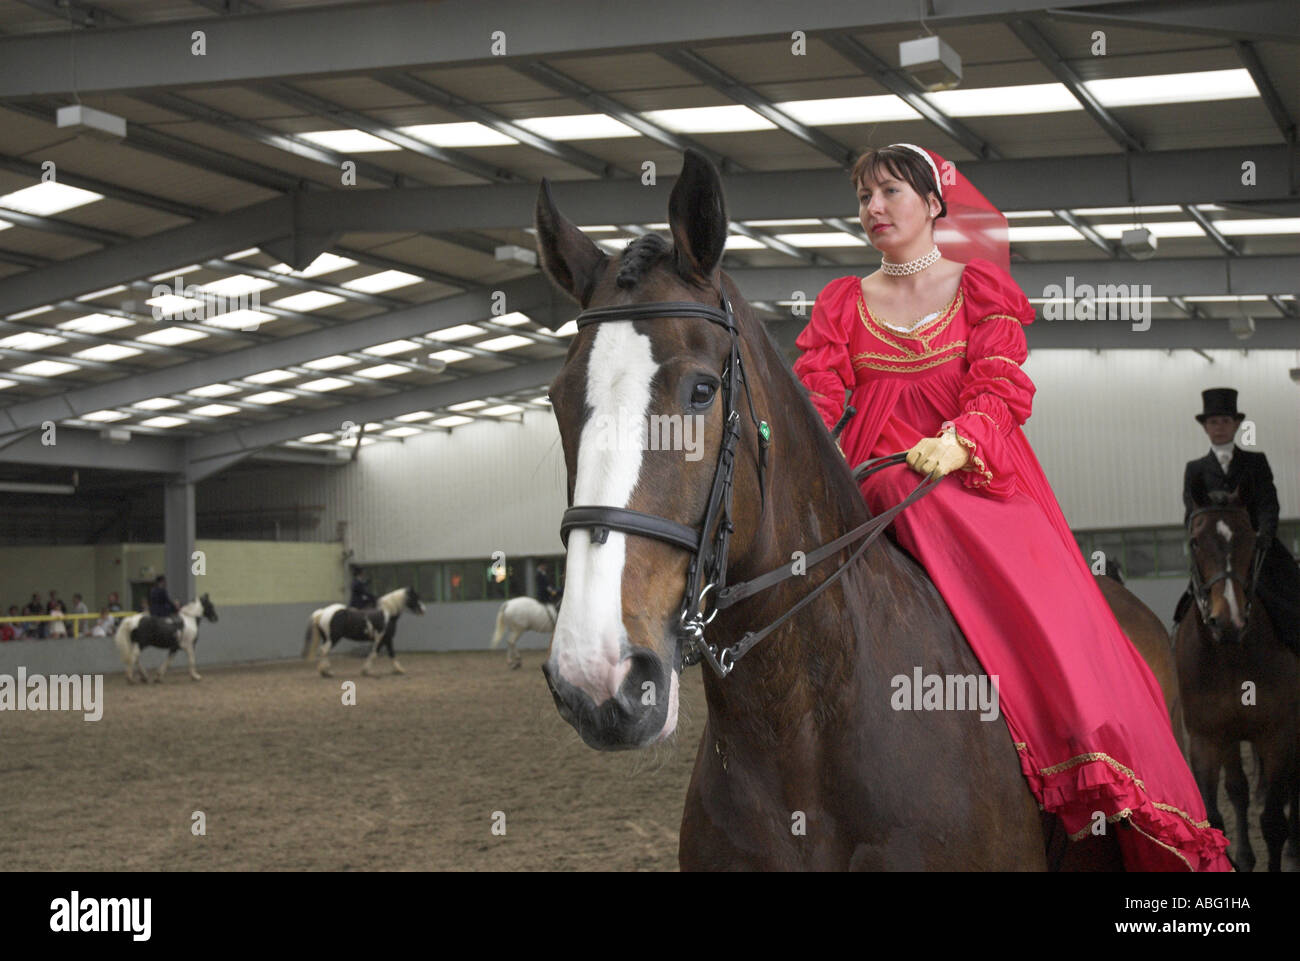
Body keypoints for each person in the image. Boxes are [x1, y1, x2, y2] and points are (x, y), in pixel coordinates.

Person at [793, 143, 1230, 871]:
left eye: (889, 193)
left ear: (933, 204)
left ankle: (1086, 745)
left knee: (1052, 611)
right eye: (863, 197)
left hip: (973, 476)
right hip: (873, 478)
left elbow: (998, 386)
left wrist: (962, 439)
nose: (872, 209)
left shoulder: (978, 288)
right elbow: (818, 400)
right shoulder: (843, 302)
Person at [1175, 388, 1299, 653]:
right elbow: (1191, 511)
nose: (1219, 427)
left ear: (1236, 425)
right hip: (1216, 550)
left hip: (1254, 546)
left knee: (1290, 595)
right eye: (1213, 422)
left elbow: (1268, 503)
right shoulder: (1195, 469)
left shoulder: (1255, 462)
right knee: (1185, 607)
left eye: (1225, 421)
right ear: (1205, 428)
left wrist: (1264, 533)